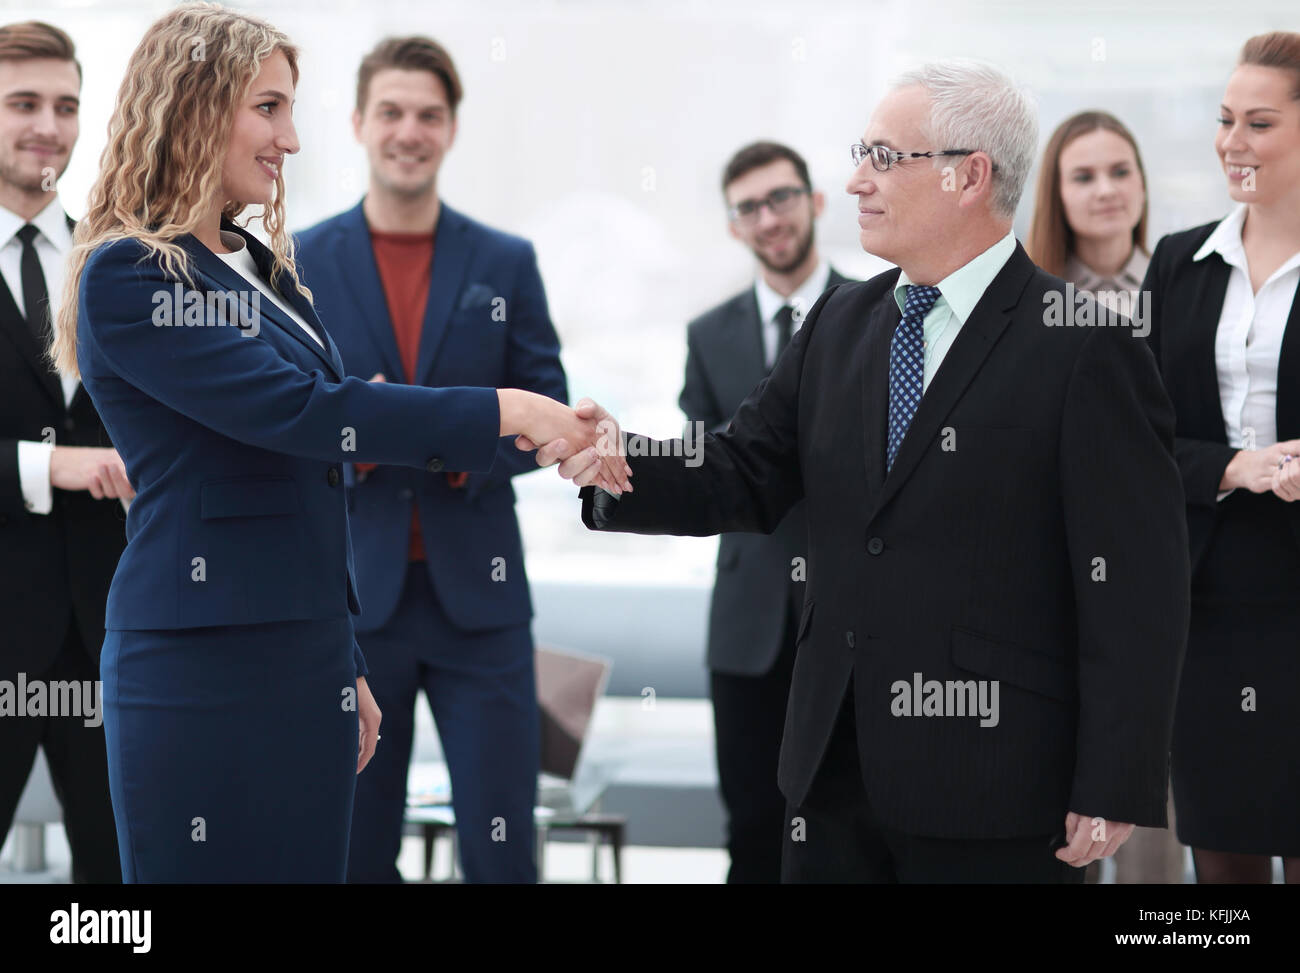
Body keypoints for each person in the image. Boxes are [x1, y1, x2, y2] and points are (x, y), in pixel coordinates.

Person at [527, 60, 1189, 883]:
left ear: (968, 174)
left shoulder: (1085, 347)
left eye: (883, 156)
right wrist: (618, 460)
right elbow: (742, 465)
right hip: (832, 768)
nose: (854, 181)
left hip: (999, 787)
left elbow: (1138, 585)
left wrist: (1115, 777)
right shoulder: (841, 320)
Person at [50, 3, 627, 884]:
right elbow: (307, 413)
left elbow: (306, 479)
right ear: (199, 105)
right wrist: (508, 408)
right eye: (268, 108)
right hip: (198, 666)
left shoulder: (261, 266)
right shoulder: (131, 272)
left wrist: (339, 654)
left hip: (304, 654)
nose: (289, 138)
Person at [296, 35, 566, 884]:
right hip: (353, 604)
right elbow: (277, 417)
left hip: (480, 608)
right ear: (358, 124)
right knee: (355, 845)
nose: (408, 130)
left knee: (501, 845)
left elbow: (545, 402)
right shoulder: (299, 259)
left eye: (428, 114)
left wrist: (460, 450)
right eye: (392, 112)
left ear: (450, 129)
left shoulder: (504, 260)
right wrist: (359, 440)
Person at [1141, 30, 1300, 885]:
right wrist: (1234, 467)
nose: (1232, 142)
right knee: (1222, 877)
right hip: (1204, 599)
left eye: (1261, 122)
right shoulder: (1179, 264)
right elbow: (1135, 440)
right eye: (1225, 118)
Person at [678, 140, 851, 883]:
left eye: (781, 198)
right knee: (751, 828)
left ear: (814, 202)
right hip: (746, 624)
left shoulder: (872, 312)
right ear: (733, 226)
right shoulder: (707, 334)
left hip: (848, 616)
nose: (769, 218)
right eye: (750, 206)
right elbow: (701, 465)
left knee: (845, 824)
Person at [1027, 110, 1185, 885]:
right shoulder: (1030, 305)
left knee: (1156, 831)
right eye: (1083, 176)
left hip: (1165, 578)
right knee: (1061, 832)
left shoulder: (1181, 289)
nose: (1106, 190)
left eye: (1121, 170)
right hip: (1054, 593)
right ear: (1055, 194)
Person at [0, 19, 123, 884]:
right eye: (23, 103)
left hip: (111, 628)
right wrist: (49, 466)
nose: (49, 125)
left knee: (121, 880)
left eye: (66, 106)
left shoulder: (116, 266)